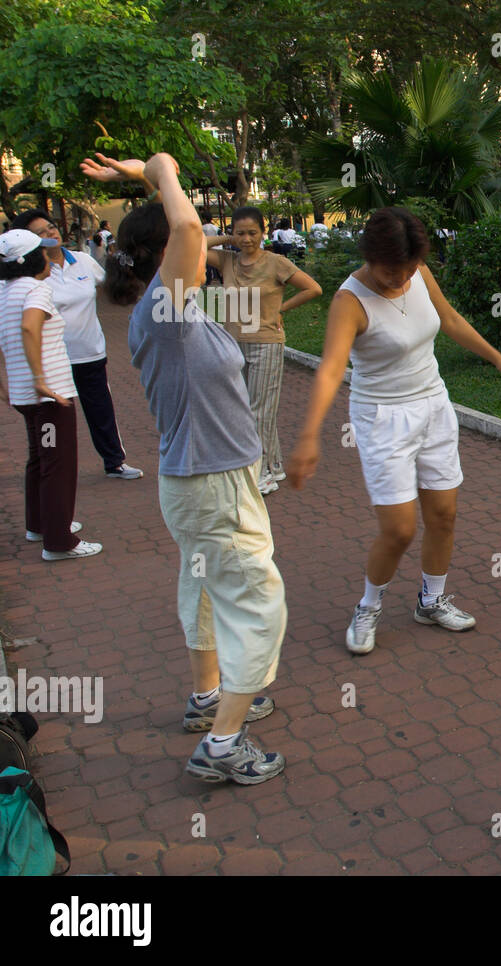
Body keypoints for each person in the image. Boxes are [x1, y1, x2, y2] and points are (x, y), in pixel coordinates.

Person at [85, 150, 286, 785]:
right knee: (259, 602)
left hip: (203, 481)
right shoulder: (164, 314)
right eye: (189, 246)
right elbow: (192, 231)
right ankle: (224, 743)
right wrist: (161, 167)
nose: (206, 250)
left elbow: (197, 234)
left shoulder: (177, 310)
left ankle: (208, 700)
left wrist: (149, 180)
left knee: (203, 588)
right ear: (167, 254)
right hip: (212, 486)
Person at [286, 207, 501, 655]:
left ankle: (431, 600)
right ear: (368, 256)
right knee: (399, 530)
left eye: (408, 269)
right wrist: (308, 435)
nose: (400, 280)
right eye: (389, 271)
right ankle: (369, 605)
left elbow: (450, 320)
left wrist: (499, 359)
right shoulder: (350, 301)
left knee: (444, 515)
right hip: (383, 418)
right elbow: (330, 370)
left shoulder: (417, 271)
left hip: (433, 406)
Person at [10, 210, 144, 481]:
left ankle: (114, 462)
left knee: (100, 410)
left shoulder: (82, 261)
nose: (50, 233)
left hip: (89, 352)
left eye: (51, 226)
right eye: (41, 233)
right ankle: (51, 473)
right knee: (52, 422)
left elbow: (112, 286)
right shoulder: (30, 273)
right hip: (52, 361)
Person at [0, 228, 103, 560]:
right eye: (43, 253)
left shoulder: (5, 291)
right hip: (49, 397)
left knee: (40, 460)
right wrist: (41, 379)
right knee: (57, 465)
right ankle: (59, 542)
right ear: (31, 258)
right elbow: (30, 326)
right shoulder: (36, 289)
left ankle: (41, 525)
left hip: (25, 396)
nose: (49, 257)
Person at [205, 206, 322, 494]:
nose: (246, 239)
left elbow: (313, 289)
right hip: (233, 343)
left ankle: (260, 474)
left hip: (266, 343)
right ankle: (275, 466)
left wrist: (282, 308)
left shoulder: (276, 262)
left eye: (252, 233)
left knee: (259, 412)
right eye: (241, 233)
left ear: (263, 232)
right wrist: (225, 239)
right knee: (246, 410)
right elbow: (190, 243)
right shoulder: (227, 260)